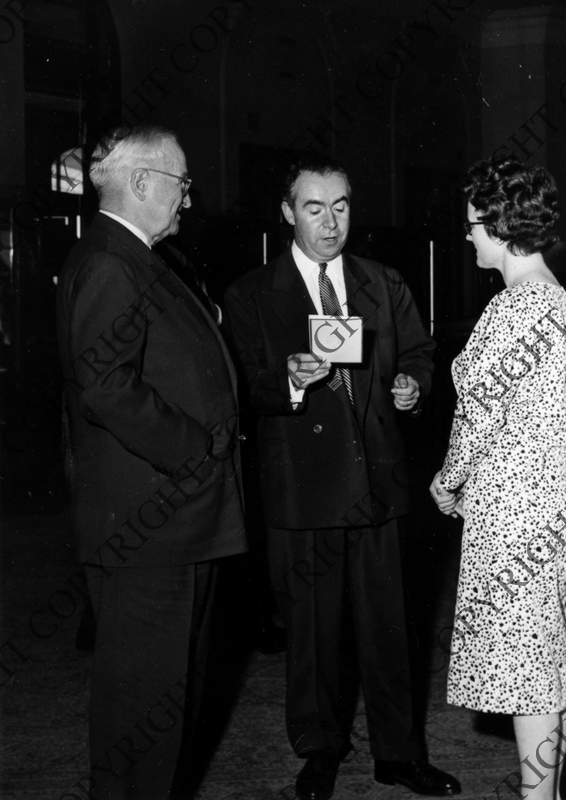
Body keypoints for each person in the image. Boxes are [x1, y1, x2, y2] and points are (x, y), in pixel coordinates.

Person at [223, 155, 460, 800]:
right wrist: (290, 383)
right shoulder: (250, 295)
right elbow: (240, 386)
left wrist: (414, 384)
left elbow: (419, 352)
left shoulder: (383, 282)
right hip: (304, 492)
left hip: (379, 488)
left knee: (390, 633)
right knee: (313, 637)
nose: (330, 224)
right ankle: (320, 750)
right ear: (286, 213)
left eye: (342, 208)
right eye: (314, 208)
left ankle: (399, 754)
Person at [56, 124, 248, 799]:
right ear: (141, 183)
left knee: (162, 715)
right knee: (141, 720)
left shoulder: (132, 258)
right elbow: (108, 388)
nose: (187, 200)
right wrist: (195, 450)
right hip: (150, 530)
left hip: (168, 524)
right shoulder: (112, 263)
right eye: (181, 184)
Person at [430, 155, 566, 800]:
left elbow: (476, 417)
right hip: (551, 498)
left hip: (511, 506)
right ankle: (542, 794)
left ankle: (537, 797)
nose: (468, 235)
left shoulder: (514, 309)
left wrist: (447, 480)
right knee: (544, 658)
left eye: (472, 223)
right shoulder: (559, 304)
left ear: (499, 226)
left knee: (528, 667)